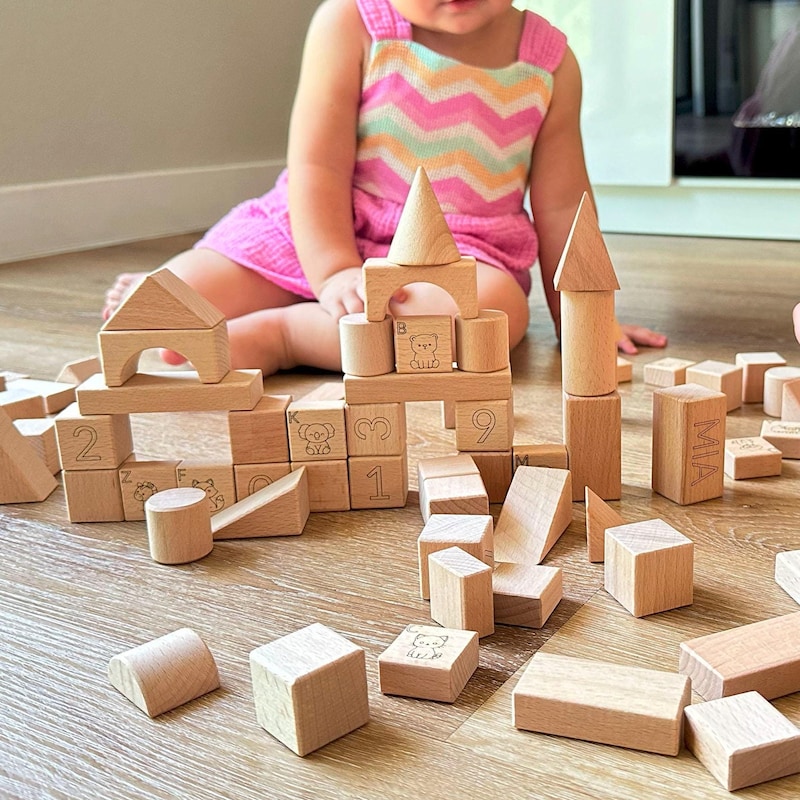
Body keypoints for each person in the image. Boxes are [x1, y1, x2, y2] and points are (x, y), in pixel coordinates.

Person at [103, 0, 666, 374]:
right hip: (326, 223)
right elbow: (317, 168)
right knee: (170, 308)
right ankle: (195, 293)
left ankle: (284, 337)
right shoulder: (351, 24)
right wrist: (332, 271)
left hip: (461, 249)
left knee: (490, 322)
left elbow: (563, 206)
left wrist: (585, 317)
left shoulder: (548, 63)